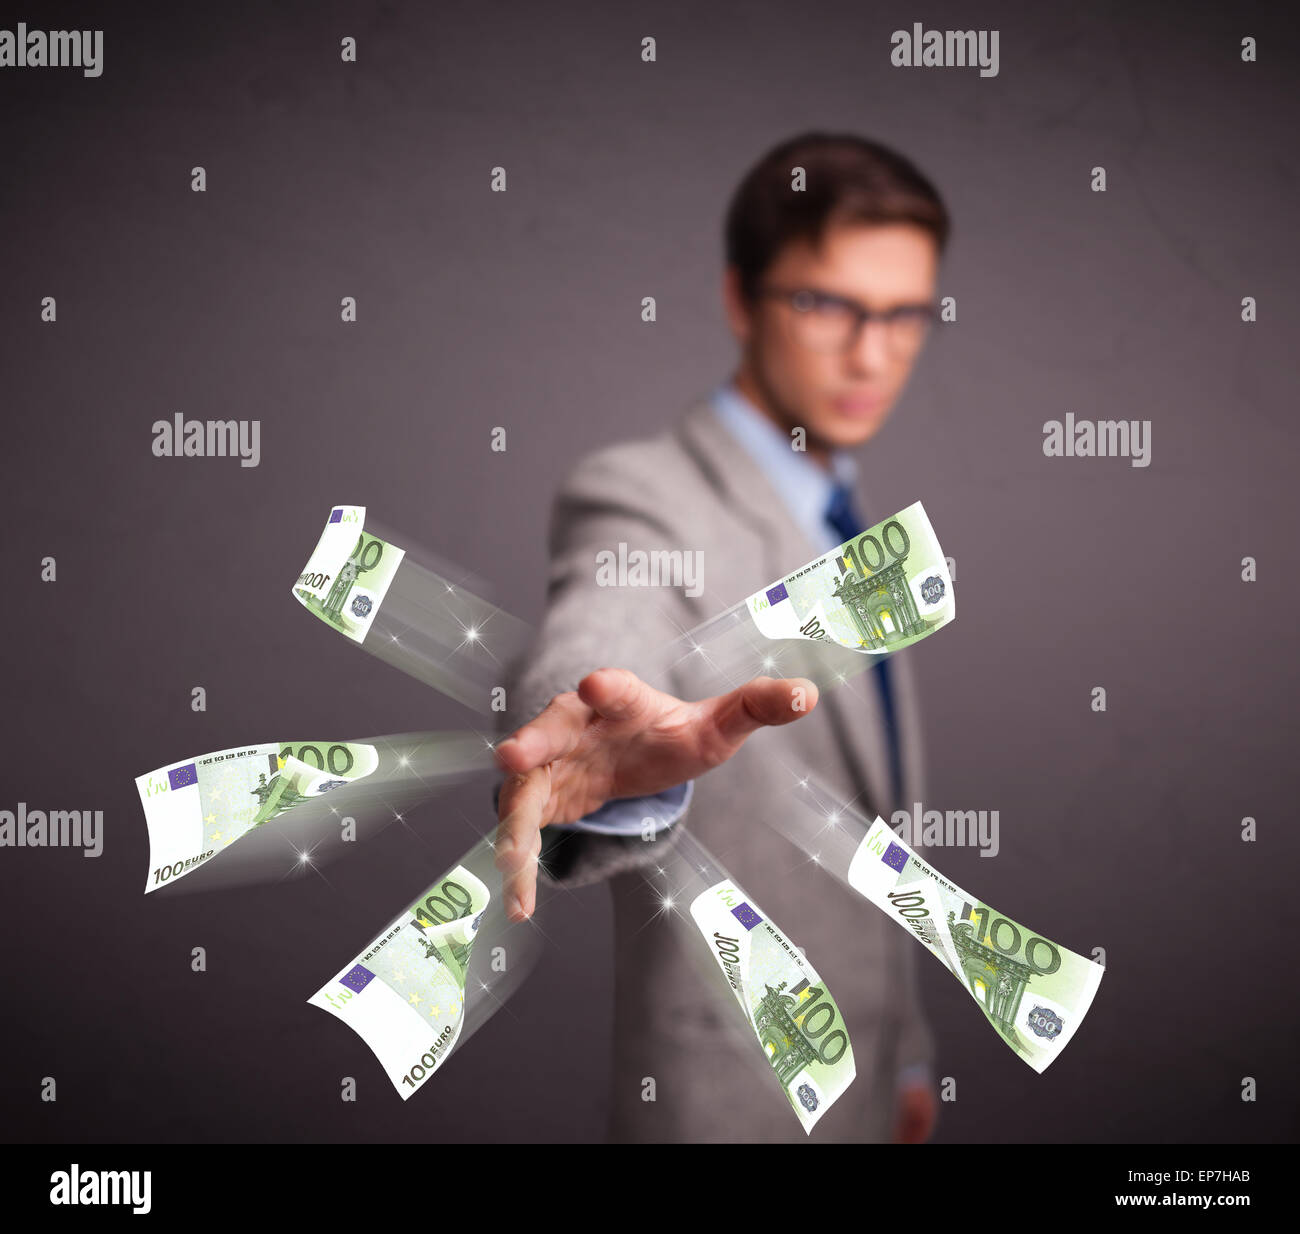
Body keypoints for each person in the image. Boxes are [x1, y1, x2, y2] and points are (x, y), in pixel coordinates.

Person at [494, 131, 949, 1143]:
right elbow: (606, 617)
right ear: (742, 298)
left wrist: (904, 1048)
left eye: (905, 313)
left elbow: (866, 830)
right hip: (726, 1105)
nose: (871, 353)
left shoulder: (850, 521)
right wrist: (594, 718)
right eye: (828, 304)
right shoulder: (644, 493)